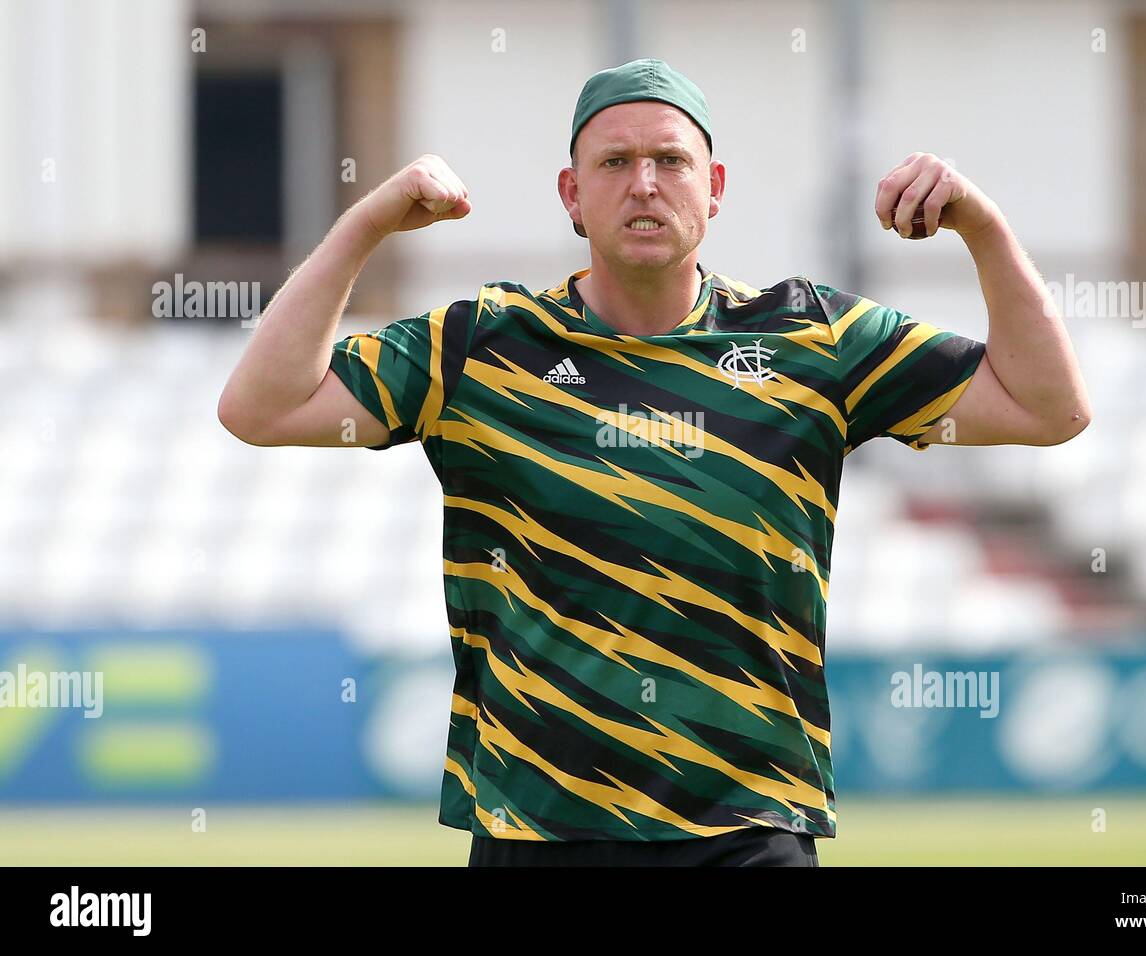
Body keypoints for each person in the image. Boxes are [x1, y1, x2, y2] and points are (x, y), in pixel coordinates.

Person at [217, 58, 1091, 867]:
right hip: (539, 823)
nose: (644, 183)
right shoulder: (483, 344)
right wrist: (369, 224)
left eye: (671, 162)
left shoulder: (810, 337)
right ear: (572, 195)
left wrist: (981, 223)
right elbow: (260, 407)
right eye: (614, 162)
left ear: (714, 191)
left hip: (748, 826)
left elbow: (1050, 408)